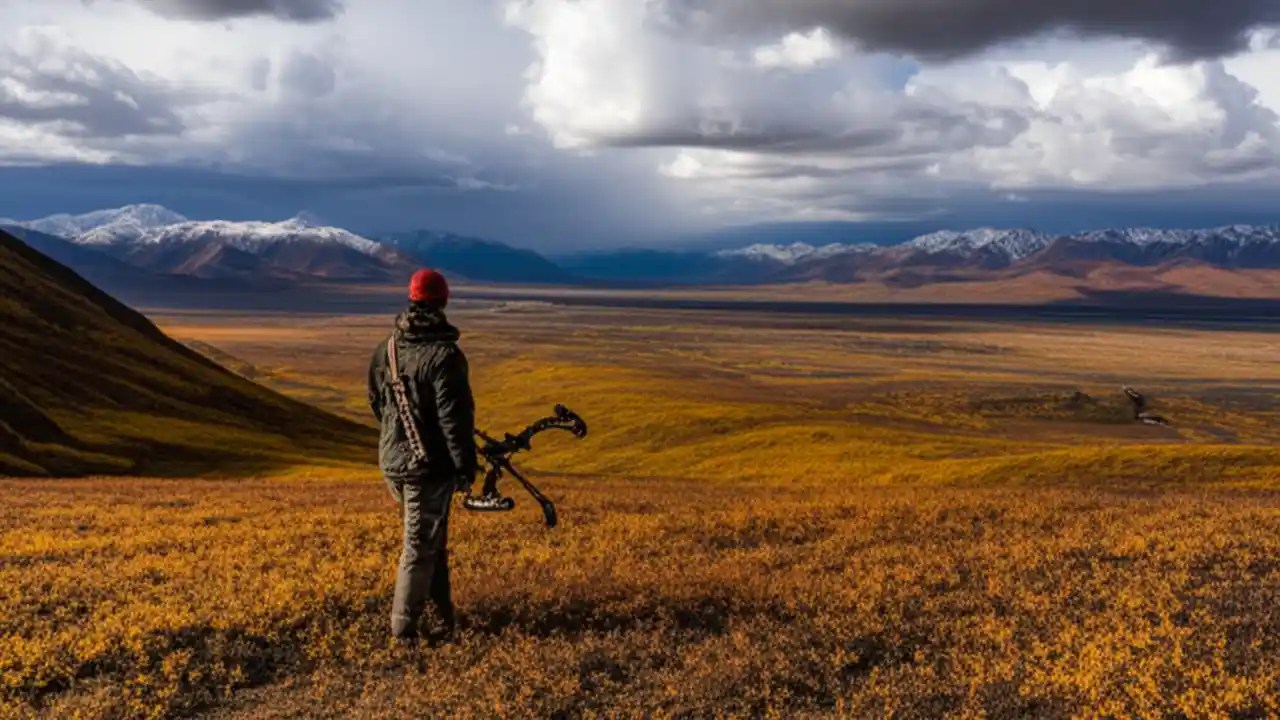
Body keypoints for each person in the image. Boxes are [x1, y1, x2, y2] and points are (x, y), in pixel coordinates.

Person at [368, 268, 476, 642]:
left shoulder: (389, 348)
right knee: (418, 546)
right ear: (443, 301)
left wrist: (396, 437)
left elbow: (376, 401)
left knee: (431, 539)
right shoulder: (446, 356)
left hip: (393, 462)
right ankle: (404, 633)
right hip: (426, 468)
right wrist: (465, 467)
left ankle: (444, 620)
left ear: (411, 299)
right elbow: (455, 421)